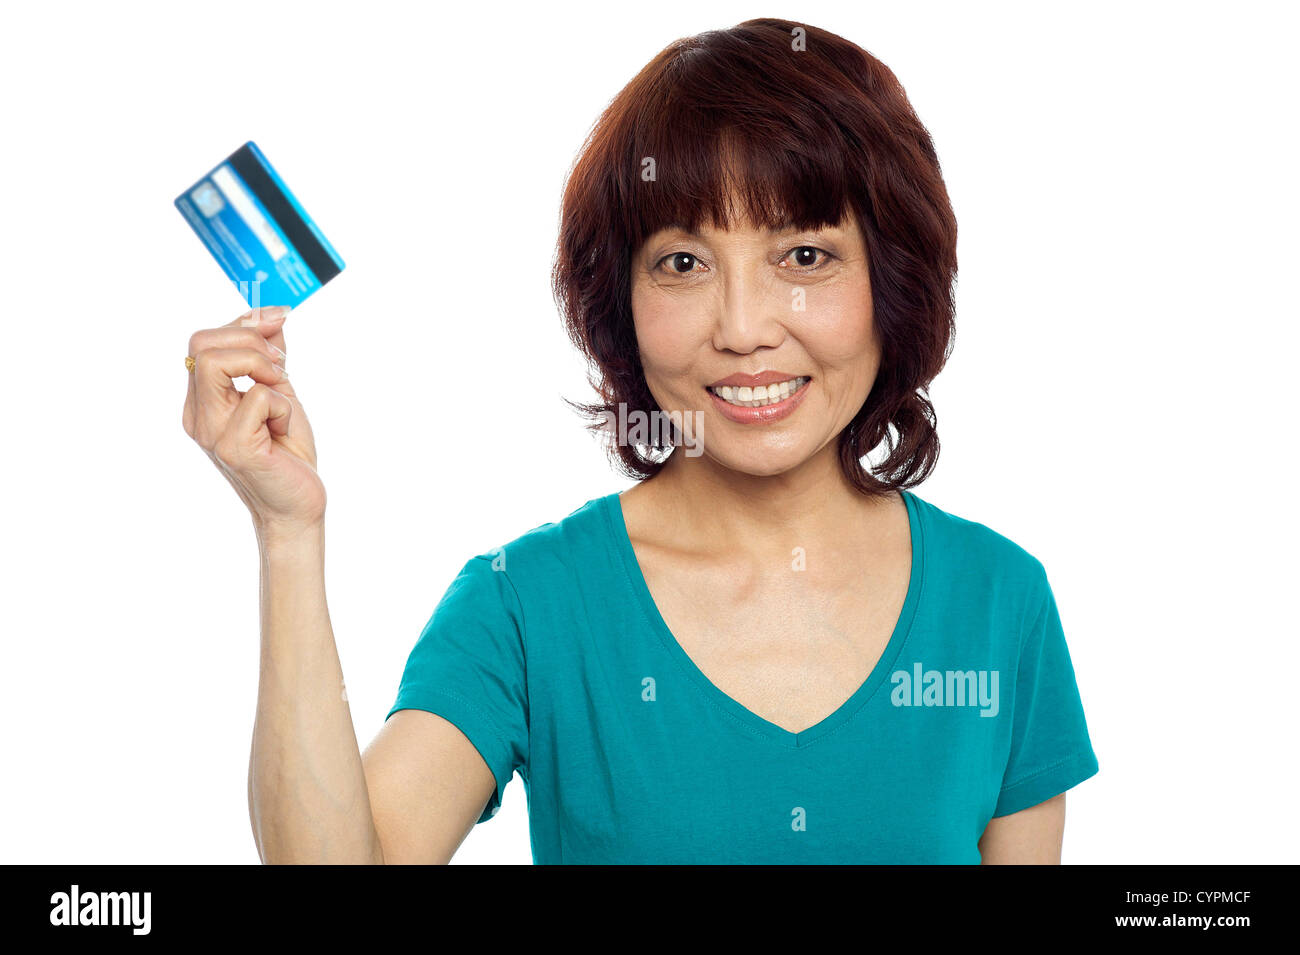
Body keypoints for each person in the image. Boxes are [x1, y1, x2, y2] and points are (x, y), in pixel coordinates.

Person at [182, 18, 1098, 864]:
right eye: (684, 263)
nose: (743, 328)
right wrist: (287, 532)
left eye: (805, 256)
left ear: (890, 280)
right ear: (620, 299)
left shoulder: (999, 602)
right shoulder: (527, 605)